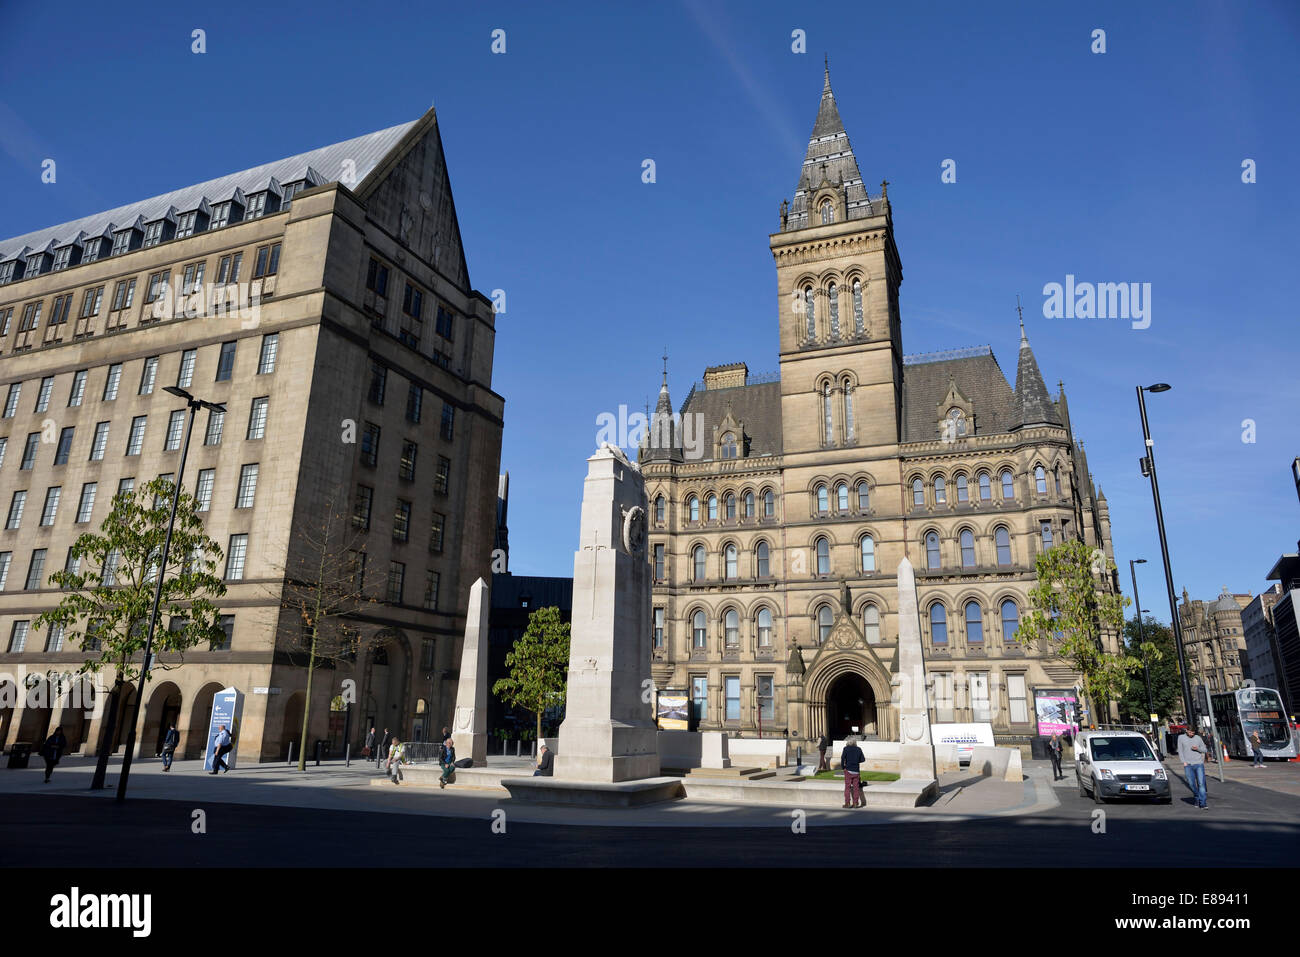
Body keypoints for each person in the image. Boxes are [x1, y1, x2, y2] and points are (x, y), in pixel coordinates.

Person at [1177, 726, 1209, 808]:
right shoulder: (1181, 738)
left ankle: (1203, 803)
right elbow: (1180, 751)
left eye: (1193, 733)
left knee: (1201, 784)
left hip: (1198, 763)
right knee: (1191, 784)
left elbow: (1205, 749)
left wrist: (1198, 748)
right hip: (1188, 764)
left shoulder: (1198, 738)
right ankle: (1197, 796)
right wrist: (1184, 762)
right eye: (1190, 732)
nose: (1192, 734)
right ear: (1187, 730)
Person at [840, 735, 866, 809]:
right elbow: (863, 759)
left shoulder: (846, 749)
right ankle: (855, 803)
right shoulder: (858, 749)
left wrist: (843, 767)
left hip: (848, 770)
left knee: (847, 787)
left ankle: (847, 803)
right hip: (856, 771)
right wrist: (856, 760)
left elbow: (842, 759)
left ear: (848, 742)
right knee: (856, 788)